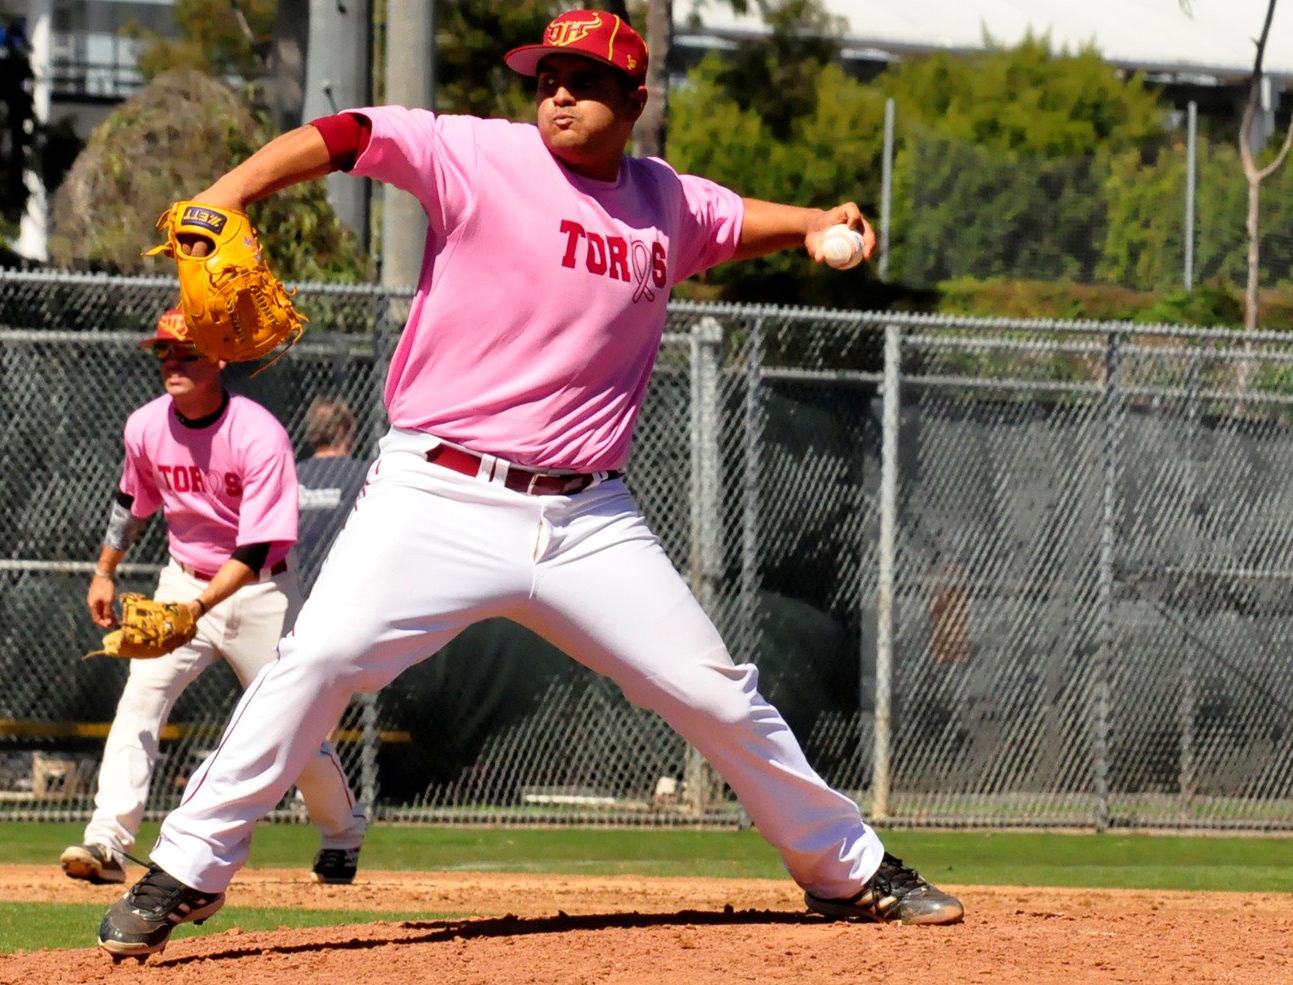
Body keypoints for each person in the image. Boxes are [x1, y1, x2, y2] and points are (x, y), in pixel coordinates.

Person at [97, 9, 963, 959]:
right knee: (317, 661)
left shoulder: (663, 199)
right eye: (548, 74)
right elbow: (349, 136)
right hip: (437, 493)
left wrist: (811, 225)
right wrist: (225, 193)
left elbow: (725, 223)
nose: (558, 91)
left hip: (588, 514)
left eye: (584, 79)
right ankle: (185, 868)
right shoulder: (478, 154)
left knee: (716, 694)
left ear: (635, 99)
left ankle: (848, 866)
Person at [60, 308, 368, 887]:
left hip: (262, 590)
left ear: (220, 358)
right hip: (183, 579)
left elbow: (255, 548)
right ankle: (107, 841)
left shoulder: (259, 435)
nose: (172, 362)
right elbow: (131, 502)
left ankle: (342, 831)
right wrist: (105, 571)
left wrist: (196, 610)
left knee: (294, 727)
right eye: (164, 352)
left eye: (187, 351)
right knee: (140, 702)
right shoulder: (146, 426)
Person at [294, 397, 370, 588]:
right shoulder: (366, 475)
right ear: (344, 431)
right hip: (350, 584)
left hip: (298, 585)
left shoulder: (291, 476)